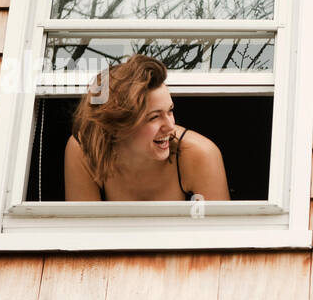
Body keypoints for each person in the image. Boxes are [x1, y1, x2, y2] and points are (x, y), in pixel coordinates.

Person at [64, 54, 230, 202]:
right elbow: (83, 233)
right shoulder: (85, 148)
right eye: (154, 117)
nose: (170, 126)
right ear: (117, 126)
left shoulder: (199, 154)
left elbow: (219, 235)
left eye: (170, 110)